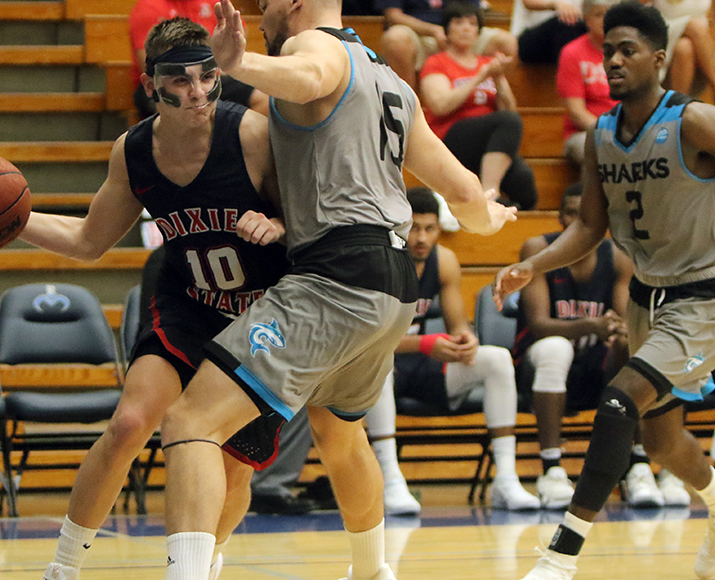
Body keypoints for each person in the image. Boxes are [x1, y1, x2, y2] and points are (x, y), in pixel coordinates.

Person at [159, 0, 517, 578]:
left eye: (269, 3)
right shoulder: (392, 80)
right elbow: (469, 198)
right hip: (393, 284)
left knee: (190, 422)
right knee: (340, 433)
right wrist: (492, 222)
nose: (263, 10)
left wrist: (241, 61)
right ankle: (374, 571)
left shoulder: (311, 48)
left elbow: (309, 75)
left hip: (336, 277)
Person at [21, 17, 292, 580]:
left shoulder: (252, 134)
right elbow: (88, 240)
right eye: (181, 80)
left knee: (234, 468)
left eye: (206, 76)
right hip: (188, 302)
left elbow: (316, 219)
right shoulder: (134, 151)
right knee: (128, 424)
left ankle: (202, 561)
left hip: (260, 316)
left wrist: (278, 225)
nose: (196, 91)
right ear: (152, 86)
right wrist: (13, 223)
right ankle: (63, 567)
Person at [493, 3, 715, 578]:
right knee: (663, 442)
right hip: (646, 298)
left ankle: (559, 560)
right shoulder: (601, 137)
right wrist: (530, 266)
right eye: (608, 51)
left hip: (702, 302)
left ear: (660, 60)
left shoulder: (692, 121)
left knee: (617, 403)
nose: (614, 60)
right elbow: (591, 227)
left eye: (628, 51)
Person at [513, 182, 690, 510]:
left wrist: (619, 331)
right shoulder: (536, 247)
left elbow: (623, 320)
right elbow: (538, 325)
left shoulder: (619, 257)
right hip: (539, 364)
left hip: (598, 365)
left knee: (635, 347)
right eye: (571, 213)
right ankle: (551, 471)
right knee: (556, 348)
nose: (580, 221)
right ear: (560, 219)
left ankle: (638, 466)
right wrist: (589, 325)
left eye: (588, 215)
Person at [365, 187, 540, 515]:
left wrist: (465, 339)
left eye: (429, 229)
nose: (420, 237)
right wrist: (426, 344)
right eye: (413, 227)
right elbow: (367, 339)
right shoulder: (381, 260)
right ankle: (390, 479)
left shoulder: (443, 260)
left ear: (438, 229)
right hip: (382, 364)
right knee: (381, 362)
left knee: (497, 359)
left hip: (425, 364)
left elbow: (457, 324)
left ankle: (506, 479)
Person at [419, 2, 538, 210]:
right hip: (451, 137)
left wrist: (499, 78)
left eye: (472, 23)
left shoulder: (487, 63)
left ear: (478, 31)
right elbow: (440, 106)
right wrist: (479, 77)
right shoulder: (437, 62)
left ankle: (498, 211)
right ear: (447, 29)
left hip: (487, 144)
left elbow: (510, 112)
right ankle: (489, 192)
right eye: (459, 22)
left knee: (525, 185)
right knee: (506, 122)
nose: (466, 28)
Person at [129, 0, 270, 118]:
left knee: (264, 98)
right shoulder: (148, 8)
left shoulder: (213, 2)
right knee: (173, 98)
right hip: (168, 80)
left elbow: (237, 36)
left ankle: (233, 144)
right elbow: (151, 67)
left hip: (213, 76)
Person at [378, 0, 518, 90]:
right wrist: (433, 30)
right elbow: (393, 16)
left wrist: (455, 30)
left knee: (507, 43)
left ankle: (494, 99)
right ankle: (408, 106)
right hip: (419, 32)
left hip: (459, 26)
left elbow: (471, 11)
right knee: (395, 39)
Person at [555, 0, 618, 168]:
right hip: (584, 134)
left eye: (610, 13)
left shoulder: (630, 52)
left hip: (628, 131)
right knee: (601, 149)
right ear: (586, 19)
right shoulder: (572, 53)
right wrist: (613, 134)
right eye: (599, 14)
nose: (606, 20)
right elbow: (577, 113)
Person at [649, 0, 715, 98]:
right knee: (695, 26)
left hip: (696, 42)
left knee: (684, 47)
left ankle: (677, 106)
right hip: (664, 29)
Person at [510, 0, 587, 65]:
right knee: (564, 24)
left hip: (570, 34)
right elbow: (528, 2)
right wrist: (555, 4)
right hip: (530, 37)